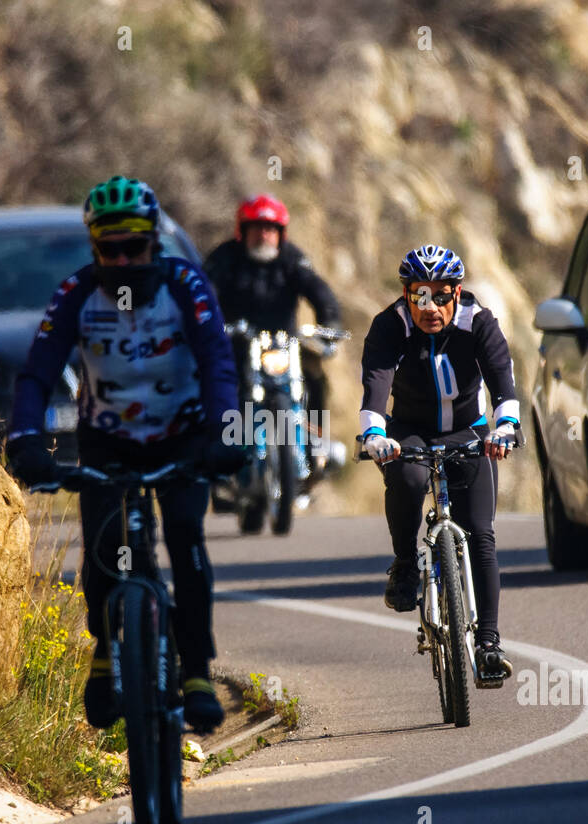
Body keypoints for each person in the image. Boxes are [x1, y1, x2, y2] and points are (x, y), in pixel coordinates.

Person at [6, 175, 247, 732]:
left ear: (154, 242)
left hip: (184, 433)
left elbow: (217, 363)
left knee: (186, 538)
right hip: (107, 439)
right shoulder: (75, 294)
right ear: (94, 247)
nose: (121, 259)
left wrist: (225, 432)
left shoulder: (186, 283)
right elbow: (38, 371)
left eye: (133, 246)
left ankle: (196, 672)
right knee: (104, 552)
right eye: (108, 248)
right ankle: (105, 650)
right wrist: (25, 440)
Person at [359, 244, 518, 684]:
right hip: (409, 431)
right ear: (407, 295)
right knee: (408, 480)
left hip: (470, 431)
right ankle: (406, 562)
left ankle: (488, 643)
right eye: (419, 295)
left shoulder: (479, 321)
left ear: (457, 292)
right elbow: (375, 384)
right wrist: (374, 434)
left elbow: (503, 382)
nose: (431, 307)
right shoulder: (389, 325)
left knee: (481, 533)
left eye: (442, 295)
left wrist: (506, 427)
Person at [204, 194, 342, 428]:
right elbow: (205, 294)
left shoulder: (291, 258)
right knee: (212, 380)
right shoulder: (224, 258)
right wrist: (207, 326)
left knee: (314, 370)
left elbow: (319, 291)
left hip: (286, 344)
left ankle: (317, 436)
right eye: (256, 228)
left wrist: (329, 324)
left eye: (270, 228)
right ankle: (219, 438)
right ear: (242, 231)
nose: (263, 235)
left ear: (281, 233)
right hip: (236, 343)